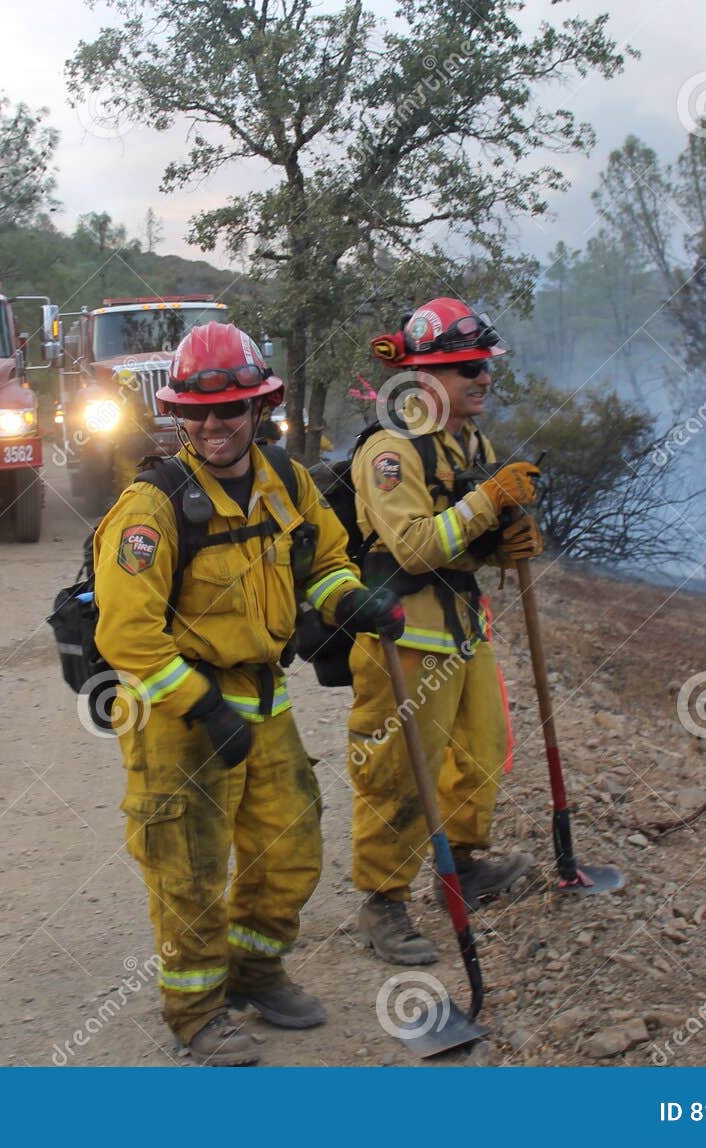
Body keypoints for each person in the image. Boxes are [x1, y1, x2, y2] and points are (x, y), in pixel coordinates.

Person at [92, 322, 404, 1066]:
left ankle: (257, 971)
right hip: (180, 716)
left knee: (289, 844)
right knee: (189, 865)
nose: (211, 426)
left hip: (265, 702)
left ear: (260, 406)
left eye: (229, 410)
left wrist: (351, 600)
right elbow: (127, 633)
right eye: (193, 413)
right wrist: (201, 705)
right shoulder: (153, 506)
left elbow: (324, 559)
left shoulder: (287, 482)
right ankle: (196, 1013)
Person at [347, 296, 545, 965]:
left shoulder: (471, 443)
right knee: (401, 772)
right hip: (402, 640)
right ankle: (383, 901)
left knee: (484, 749)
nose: (482, 376)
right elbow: (412, 547)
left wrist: (502, 543)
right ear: (426, 378)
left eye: (484, 363)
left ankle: (459, 864)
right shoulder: (389, 452)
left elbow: (462, 538)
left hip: (462, 628)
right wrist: (488, 502)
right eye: (465, 367)